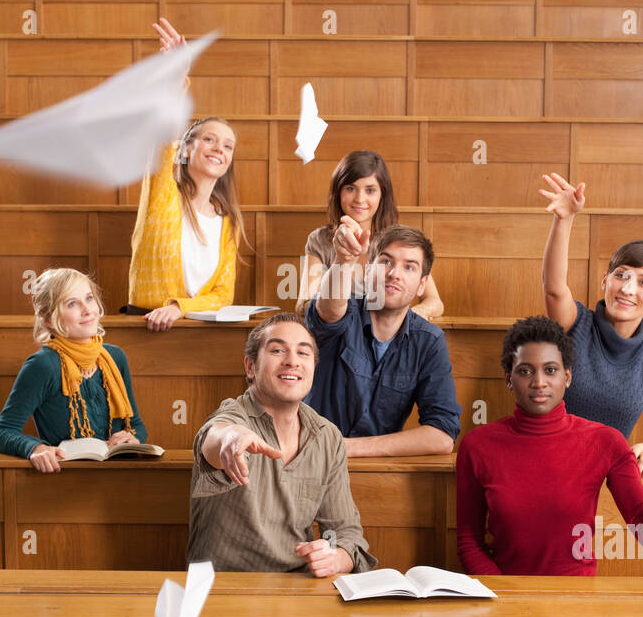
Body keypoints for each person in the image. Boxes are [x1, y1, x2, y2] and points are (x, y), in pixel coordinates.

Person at [456, 316, 643, 576]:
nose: (539, 382)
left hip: (576, 600)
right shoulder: (478, 446)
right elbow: (469, 544)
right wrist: (507, 597)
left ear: (568, 376)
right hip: (504, 601)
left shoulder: (605, 441)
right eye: (525, 371)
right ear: (509, 378)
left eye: (551, 370)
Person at [187, 313, 377, 575]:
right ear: (250, 367)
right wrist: (230, 439)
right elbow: (215, 435)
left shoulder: (327, 436)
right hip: (224, 591)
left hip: (298, 589)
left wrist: (334, 558)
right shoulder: (233, 416)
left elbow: (344, 533)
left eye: (303, 353)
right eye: (277, 350)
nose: (292, 362)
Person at [540, 172, 643, 474]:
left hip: (606, 471)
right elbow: (553, 288)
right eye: (621, 275)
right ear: (605, 280)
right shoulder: (576, 322)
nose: (628, 289)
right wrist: (564, 219)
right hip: (550, 463)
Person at [126, 18, 246, 331]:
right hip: (143, 326)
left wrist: (180, 308)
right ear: (187, 149)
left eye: (228, 146)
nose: (219, 148)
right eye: (209, 139)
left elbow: (223, 294)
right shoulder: (163, 193)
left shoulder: (227, 221)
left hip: (194, 332)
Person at [305, 223, 461, 457]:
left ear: (421, 285)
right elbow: (327, 311)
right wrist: (343, 261)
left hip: (375, 470)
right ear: (367, 271)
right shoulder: (343, 311)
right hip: (312, 460)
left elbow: (442, 434)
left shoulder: (429, 341)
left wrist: (347, 448)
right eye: (386, 262)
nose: (394, 273)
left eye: (409, 267)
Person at [0, 268, 147, 473]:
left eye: (89, 298)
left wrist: (132, 437)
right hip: (65, 476)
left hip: (117, 472)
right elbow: (2, 432)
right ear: (48, 319)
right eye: (72, 303)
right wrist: (35, 448)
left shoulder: (115, 357)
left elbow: (136, 424)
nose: (88, 310)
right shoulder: (42, 365)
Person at [295, 150, 443, 320]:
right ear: (338, 192)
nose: (359, 199)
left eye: (370, 190)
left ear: (382, 195)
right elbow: (302, 304)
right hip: (336, 335)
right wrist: (337, 312)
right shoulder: (320, 239)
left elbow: (435, 302)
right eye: (351, 188)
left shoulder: (399, 240)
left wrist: (405, 318)